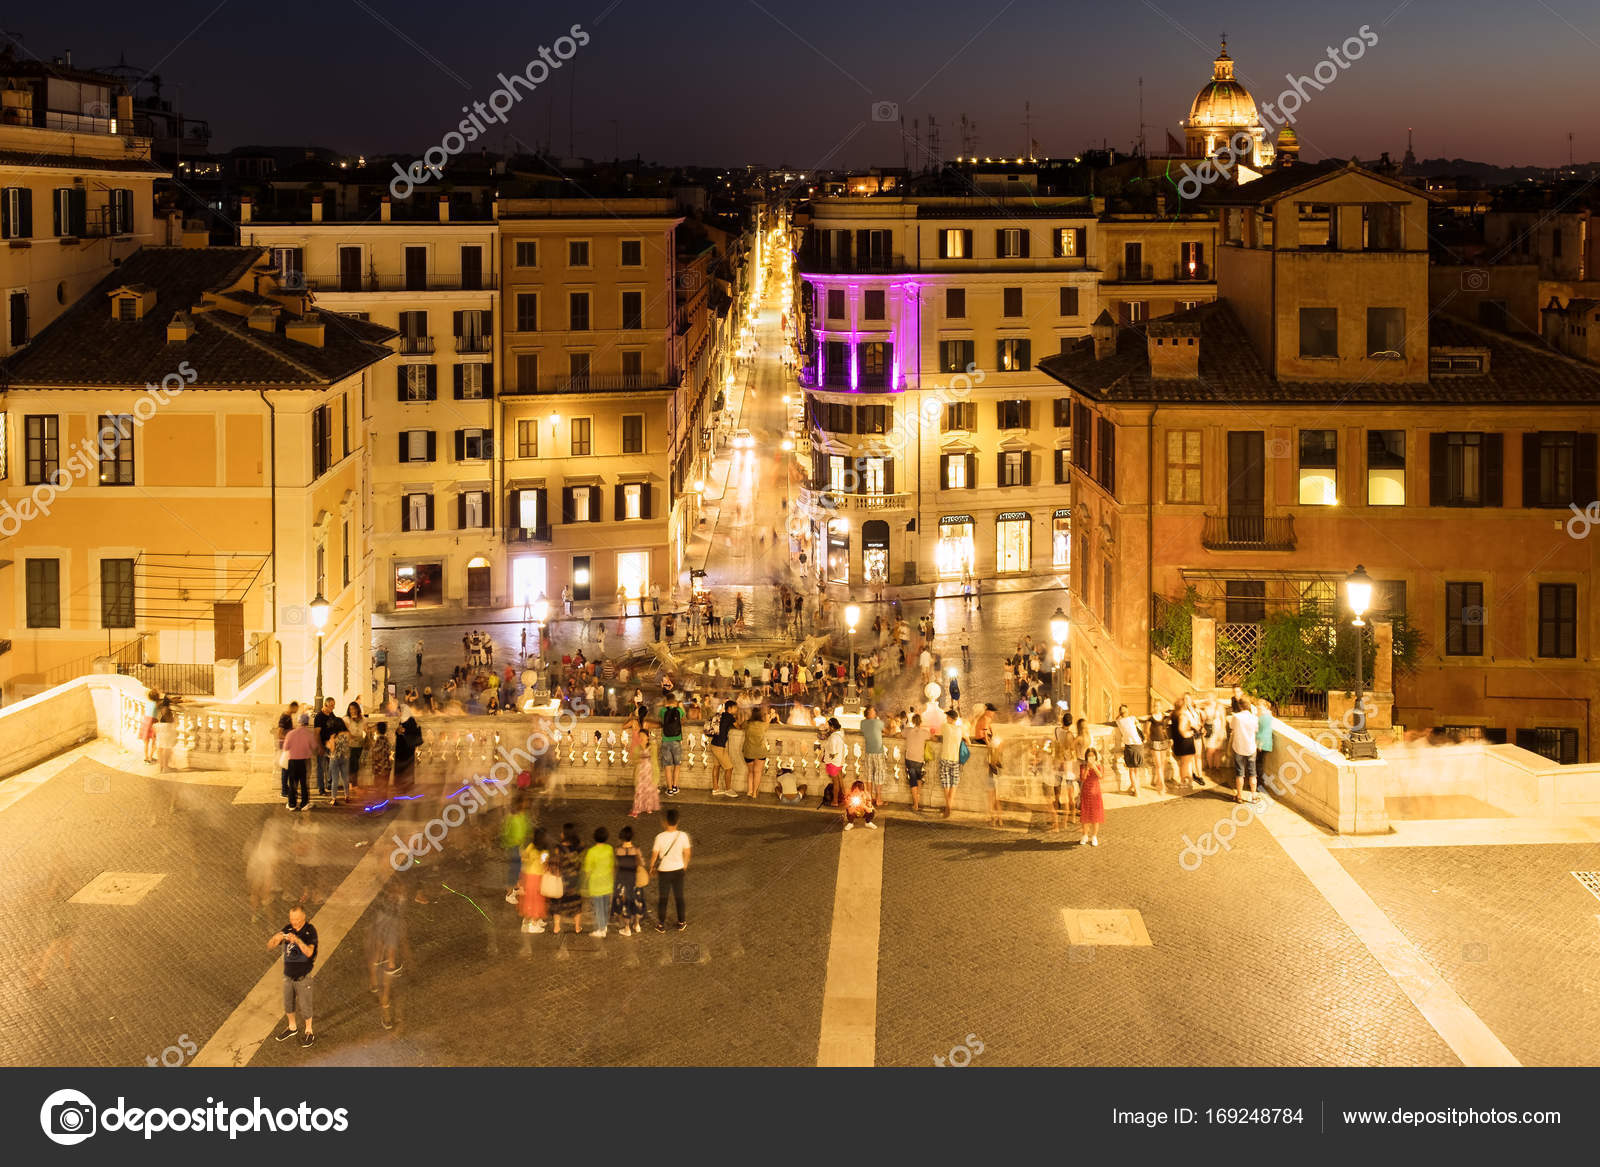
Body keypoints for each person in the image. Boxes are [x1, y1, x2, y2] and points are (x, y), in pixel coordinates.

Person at [271, 905, 318, 1048]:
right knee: (288, 1003)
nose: (294, 922)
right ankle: (292, 1027)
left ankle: (309, 1030)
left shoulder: (310, 931)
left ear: (303, 917)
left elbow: (310, 952)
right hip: (288, 975)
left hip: (303, 976)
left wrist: (297, 940)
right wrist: (276, 937)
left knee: (305, 1005)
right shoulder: (288, 928)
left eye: (296, 919)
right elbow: (270, 945)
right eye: (292, 919)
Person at [650, 809, 691, 932]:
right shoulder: (683, 836)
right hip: (678, 870)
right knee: (679, 897)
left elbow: (654, 855)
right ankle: (681, 922)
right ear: (677, 821)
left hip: (664, 871)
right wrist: (684, 865)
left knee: (663, 898)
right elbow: (687, 853)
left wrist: (651, 867)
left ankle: (661, 924)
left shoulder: (660, 837)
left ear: (665, 822)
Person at [613, 826, 646, 937]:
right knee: (637, 902)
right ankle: (637, 925)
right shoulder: (636, 849)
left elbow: (614, 865)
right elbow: (642, 863)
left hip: (622, 880)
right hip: (635, 880)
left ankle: (627, 928)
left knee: (625, 905)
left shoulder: (617, 850)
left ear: (621, 837)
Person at [582, 827, 616, 938]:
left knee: (598, 908)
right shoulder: (609, 849)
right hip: (607, 882)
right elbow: (612, 866)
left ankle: (601, 929)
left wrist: (585, 881)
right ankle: (604, 925)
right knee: (605, 906)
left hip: (596, 884)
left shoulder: (592, 852)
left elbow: (587, 870)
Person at [551, 824, 584, 934]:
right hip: (574, 879)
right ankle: (577, 927)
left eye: (562, 832)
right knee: (576, 903)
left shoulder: (558, 848)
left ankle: (556, 927)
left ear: (565, 835)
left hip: (562, 880)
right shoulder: (579, 847)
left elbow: (555, 864)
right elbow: (581, 863)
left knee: (557, 903)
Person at [1228, 696, 1261, 804]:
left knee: (1239, 773)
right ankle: (1254, 796)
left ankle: (1239, 796)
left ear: (1240, 705)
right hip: (1251, 748)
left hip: (1238, 747)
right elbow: (1256, 730)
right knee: (1252, 773)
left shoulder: (1236, 717)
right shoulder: (1254, 718)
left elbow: (1232, 727)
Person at [627, 713, 660, 818]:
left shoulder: (652, 746)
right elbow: (633, 760)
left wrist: (656, 774)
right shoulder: (637, 748)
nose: (641, 738)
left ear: (647, 737)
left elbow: (655, 760)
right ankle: (637, 809)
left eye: (643, 736)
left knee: (649, 789)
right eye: (639, 736)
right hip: (641, 771)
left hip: (649, 771)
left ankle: (648, 807)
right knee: (639, 790)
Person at [518, 828, 550, 934]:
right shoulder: (543, 851)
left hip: (529, 876)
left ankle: (527, 923)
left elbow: (523, 858)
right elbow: (544, 864)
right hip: (537, 877)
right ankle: (533, 924)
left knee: (530, 898)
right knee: (537, 899)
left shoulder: (531, 847)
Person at [501, 795, 531, 905]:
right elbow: (505, 832)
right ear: (520, 803)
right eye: (525, 801)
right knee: (514, 870)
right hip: (514, 846)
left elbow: (525, 829)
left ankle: (516, 888)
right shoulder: (512, 817)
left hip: (520, 845)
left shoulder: (522, 815)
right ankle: (509, 894)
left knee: (519, 869)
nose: (528, 803)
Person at [283, 713, 316, 812]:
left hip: (292, 761)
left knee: (292, 783)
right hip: (304, 762)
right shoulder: (309, 734)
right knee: (304, 783)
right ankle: (304, 803)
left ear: (298, 722)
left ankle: (292, 804)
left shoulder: (290, 734)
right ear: (307, 722)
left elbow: (285, 748)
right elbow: (314, 747)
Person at [939, 707, 967, 819]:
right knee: (954, 783)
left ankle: (948, 806)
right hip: (955, 760)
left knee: (946, 783)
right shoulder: (960, 729)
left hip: (945, 758)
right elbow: (967, 740)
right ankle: (949, 806)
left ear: (950, 718)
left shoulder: (944, 727)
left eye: (947, 717)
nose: (946, 719)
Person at [1171, 695, 1203, 790]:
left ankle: (1187, 781)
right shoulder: (1182, 716)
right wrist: (1190, 733)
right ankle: (1184, 782)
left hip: (1179, 742)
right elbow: (1182, 731)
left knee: (1185, 763)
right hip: (1185, 743)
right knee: (1186, 764)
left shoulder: (1173, 715)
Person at [655, 693, 684, 796]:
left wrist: (664, 705)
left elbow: (659, 718)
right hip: (677, 740)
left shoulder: (663, 711)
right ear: (674, 700)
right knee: (677, 764)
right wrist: (679, 705)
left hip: (666, 740)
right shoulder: (679, 711)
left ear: (666, 700)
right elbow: (684, 718)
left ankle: (670, 789)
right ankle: (675, 786)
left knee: (668, 766)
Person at [709, 699, 737, 797]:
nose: (736, 710)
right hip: (719, 746)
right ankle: (728, 789)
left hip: (714, 743)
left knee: (716, 766)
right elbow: (739, 726)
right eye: (735, 708)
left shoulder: (721, 715)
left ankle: (715, 789)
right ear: (730, 708)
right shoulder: (730, 717)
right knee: (729, 768)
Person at [1115, 704, 1145, 796]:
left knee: (1131, 770)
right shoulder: (1132, 718)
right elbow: (1138, 726)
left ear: (1120, 712)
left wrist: (1120, 714)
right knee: (1136, 770)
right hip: (1139, 745)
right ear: (1127, 711)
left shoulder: (1119, 721)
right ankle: (1134, 786)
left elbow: (1117, 718)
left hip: (1130, 747)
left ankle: (1136, 791)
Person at [860, 705, 888, 806]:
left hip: (868, 752)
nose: (875, 712)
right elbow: (887, 731)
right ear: (869, 713)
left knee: (869, 775)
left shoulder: (862, 723)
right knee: (879, 775)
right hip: (878, 751)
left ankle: (869, 799)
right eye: (873, 711)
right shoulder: (878, 722)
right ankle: (879, 799)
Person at [1078, 747, 1105, 846]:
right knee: (1085, 815)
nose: (1091, 757)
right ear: (1086, 757)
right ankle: (1084, 835)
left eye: (1092, 756)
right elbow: (1083, 778)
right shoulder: (1083, 766)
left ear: (1095, 756)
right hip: (1086, 791)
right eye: (1089, 756)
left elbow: (1101, 776)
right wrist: (1088, 768)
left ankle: (1094, 836)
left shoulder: (1098, 766)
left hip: (1096, 792)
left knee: (1095, 816)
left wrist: (1094, 767)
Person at [902, 713, 928, 812]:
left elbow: (900, 734)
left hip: (910, 759)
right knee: (919, 779)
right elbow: (933, 737)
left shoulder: (908, 731)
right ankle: (918, 799)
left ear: (913, 721)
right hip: (919, 760)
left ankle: (916, 804)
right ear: (921, 722)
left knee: (913, 781)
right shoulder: (925, 732)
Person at [1146, 702, 1173, 795]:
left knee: (1163, 764)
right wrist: (1151, 740)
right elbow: (1147, 731)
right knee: (1158, 765)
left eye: (1159, 705)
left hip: (1164, 741)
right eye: (1156, 705)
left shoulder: (1164, 717)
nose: (1157, 707)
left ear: (1161, 707)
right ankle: (1162, 786)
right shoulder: (1151, 718)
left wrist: (1169, 738)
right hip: (1155, 742)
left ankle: (1158, 782)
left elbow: (1166, 728)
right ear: (1154, 707)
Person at [742, 706, 769, 798]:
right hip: (760, 751)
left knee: (750, 772)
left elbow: (741, 725)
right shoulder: (764, 724)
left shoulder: (747, 723)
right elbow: (767, 722)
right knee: (757, 772)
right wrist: (768, 716)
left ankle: (749, 791)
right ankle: (754, 793)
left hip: (749, 751)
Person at [823, 717, 847, 805]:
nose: (828, 728)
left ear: (832, 727)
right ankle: (845, 797)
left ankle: (835, 801)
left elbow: (832, 752)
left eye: (829, 726)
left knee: (835, 782)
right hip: (840, 761)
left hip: (833, 762)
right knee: (840, 780)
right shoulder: (841, 733)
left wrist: (827, 755)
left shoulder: (833, 738)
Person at [1255, 697, 1276, 793]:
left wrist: (1260, 744)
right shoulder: (1265, 715)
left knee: (1259, 765)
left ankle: (1260, 785)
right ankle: (1259, 784)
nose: (1258, 708)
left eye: (1259, 707)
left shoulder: (1265, 717)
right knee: (1259, 764)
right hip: (1263, 743)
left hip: (1262, 743)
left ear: (1264, 707)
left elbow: (1264, 731)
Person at [344, 702, 367, 788]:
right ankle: (352, 783)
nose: (352, 711)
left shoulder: (363, 719)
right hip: (350, 745)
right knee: (351, 764)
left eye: (354, 709)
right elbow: (345, 730)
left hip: (359, 744)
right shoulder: (346, 719)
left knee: (356, 763)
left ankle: (354, 782)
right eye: (350, 709)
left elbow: (365, 729)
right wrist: (351, 736)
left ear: (357, 709)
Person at [369, 722, 392, 787]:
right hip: (386, 766)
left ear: (377, 730)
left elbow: (376, 751)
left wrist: (370, 739)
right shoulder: (386, 739)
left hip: (380, 767)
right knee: (384, 787)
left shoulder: (380, 739)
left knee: (378, 787)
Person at [141, 688, 160, 764]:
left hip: (145, 722)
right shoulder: (157, 704)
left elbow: (146, 693)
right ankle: (150, 757)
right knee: (154, 741)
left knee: (146, 742)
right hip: (152, 723)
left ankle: (146, 758)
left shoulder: (148, 703)